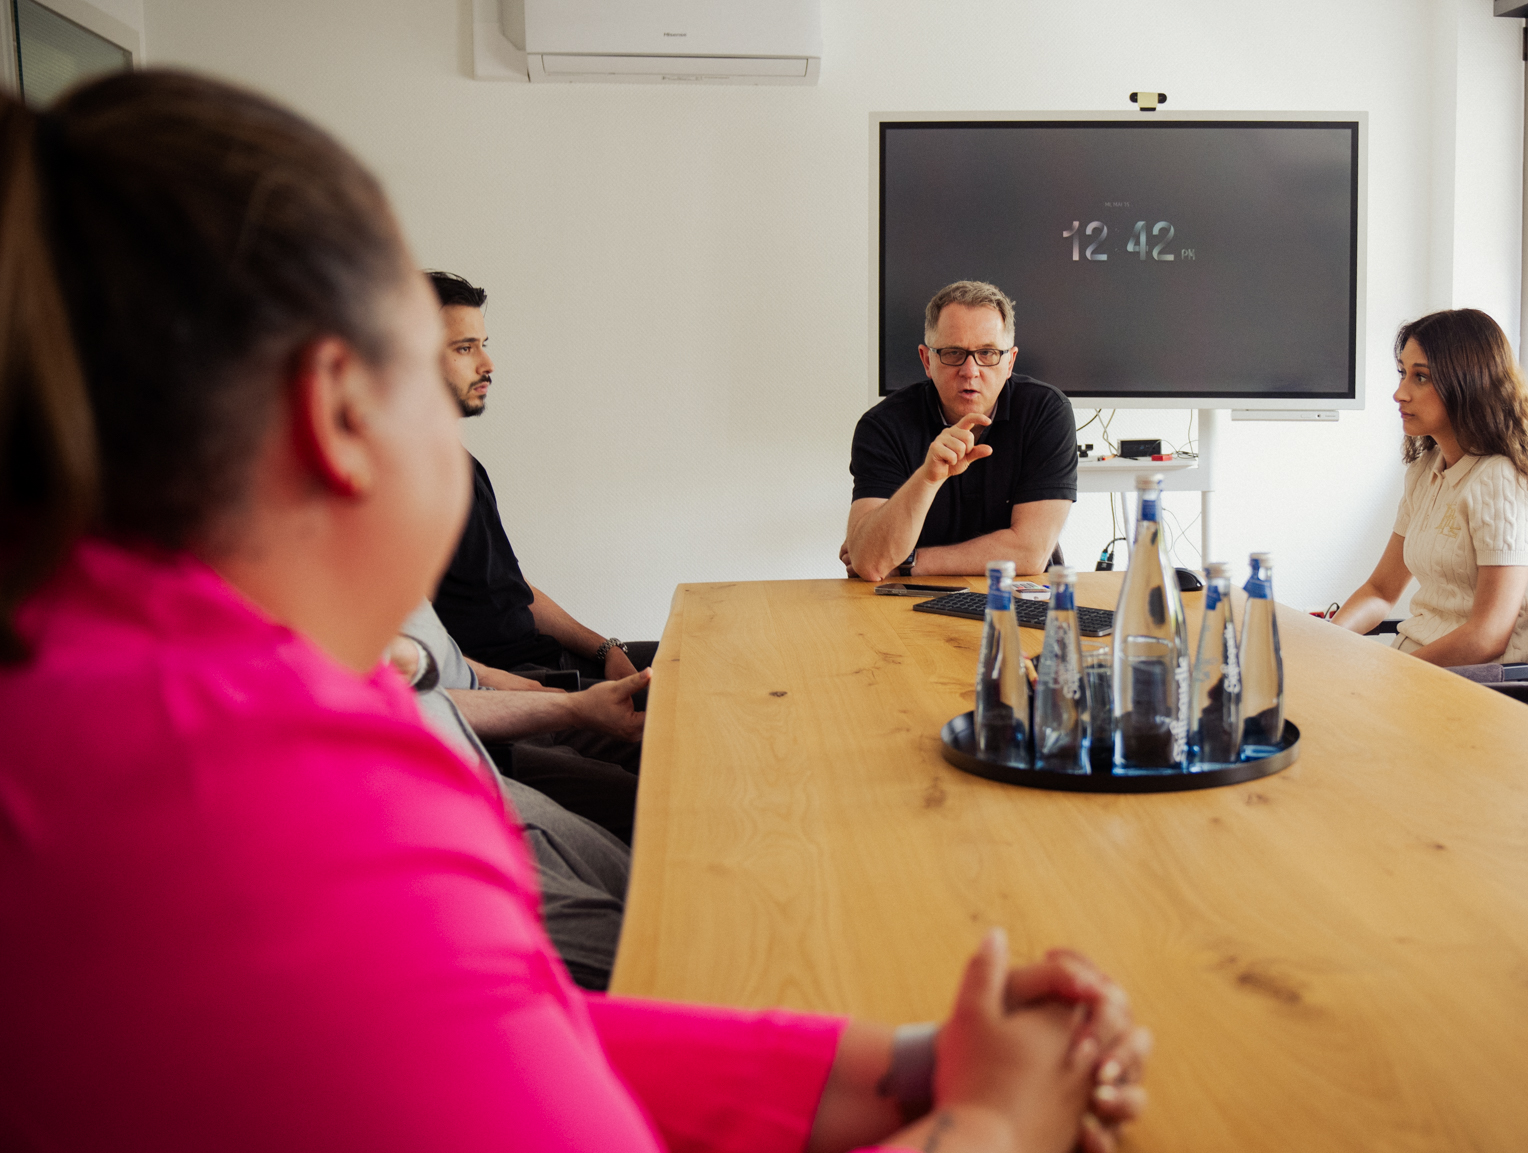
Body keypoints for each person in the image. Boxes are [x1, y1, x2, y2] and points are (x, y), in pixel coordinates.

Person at [0, 71, 1147, 1152]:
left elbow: (483, 1032)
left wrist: (905, 1068)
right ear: (338, 413)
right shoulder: (275, 783)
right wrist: (994, 1122)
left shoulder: (125, 683)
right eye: (430, 370)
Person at [389, 604, 632, 991]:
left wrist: (573, 700)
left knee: (639, 887)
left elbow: (433, 689)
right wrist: (570, 707)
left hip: (476, 771)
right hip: (434, 807)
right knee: (628, 948)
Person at [428, 270, 655, 682]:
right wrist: (566, 704)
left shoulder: (461, 464)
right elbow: (425, 656)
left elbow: (513, 588)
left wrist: (607, 649)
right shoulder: (403, 484)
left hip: (544, 658)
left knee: (701, 655)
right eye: (465, 348)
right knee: (692, 697)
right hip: (512, 683)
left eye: (483, 345)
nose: (487, 364)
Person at [1331, 309, 1528, 666]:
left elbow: (1487, 637)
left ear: (1469, 384)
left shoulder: (1503, 481)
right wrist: (1326, 638)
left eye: (1421, 377)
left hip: (1471, 682)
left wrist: (1392, 674)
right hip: (1415, 666)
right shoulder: (1425, 471)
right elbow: (1380, 591)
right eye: (1403, 373)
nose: (1400, 393)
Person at [842, 280, 1077, 581]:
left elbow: (1030, 553)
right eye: (953, 353)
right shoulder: (883, 426)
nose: (970, 371)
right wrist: (927, 478)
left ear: (1010, 362)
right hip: (908, 600)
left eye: (988, 353)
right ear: (927, 360)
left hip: (1015, 596)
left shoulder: (1046, 411)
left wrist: (908, 561)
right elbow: (871, 562)